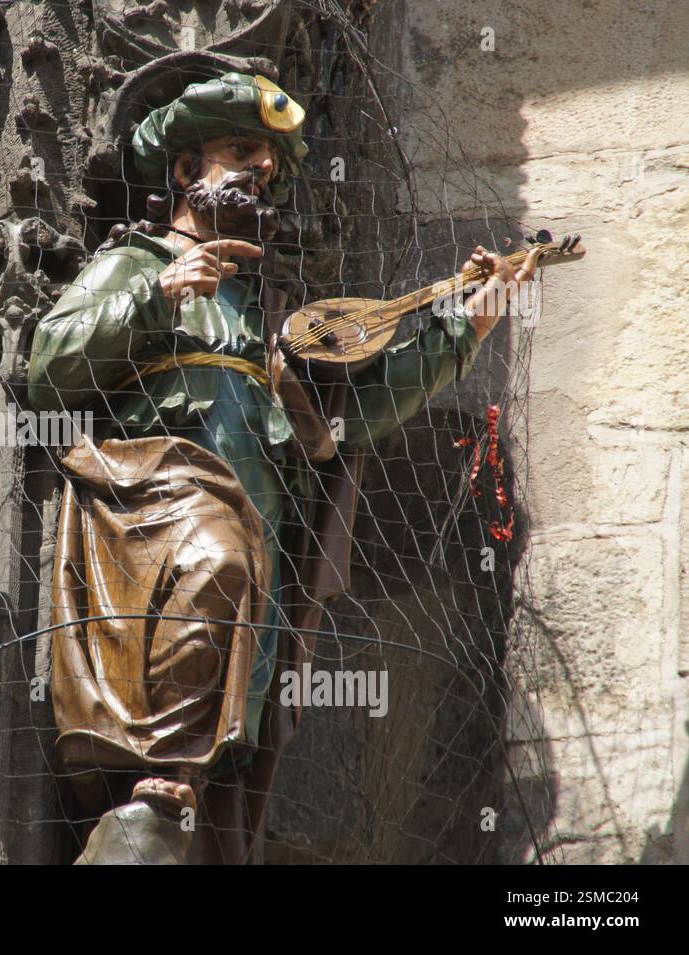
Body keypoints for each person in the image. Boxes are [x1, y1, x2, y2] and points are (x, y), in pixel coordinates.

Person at [27, 72, 539, 863]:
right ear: (186, 170)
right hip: (158, 506)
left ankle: (183, 800)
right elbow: (48, 366)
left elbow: (346, 418)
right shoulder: (139, 260)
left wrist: (466, 328)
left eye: (267, 163)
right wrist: (159, 296)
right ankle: (158, 774)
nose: (260, 170)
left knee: (239, 667)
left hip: (262, 534)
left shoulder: (265, 313)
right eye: (241, 152)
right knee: (214, 560)